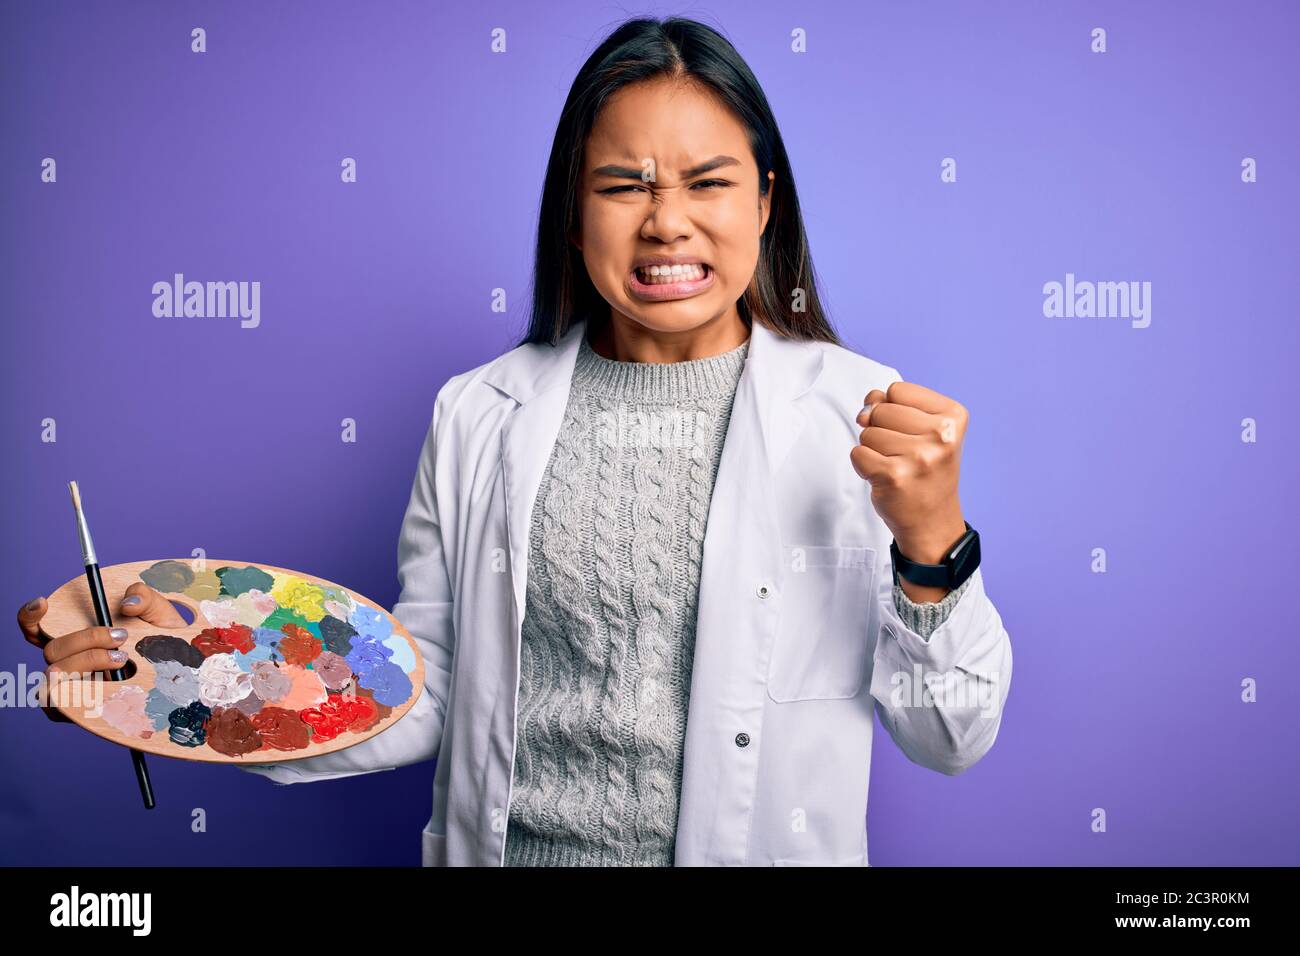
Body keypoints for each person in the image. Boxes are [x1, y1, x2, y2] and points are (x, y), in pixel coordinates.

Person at [18, 16, 1012, 867]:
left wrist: (935, 546)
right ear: (574, 218)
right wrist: (184, 679)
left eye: (707, 182)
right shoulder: (476, 411)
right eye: (624, 186)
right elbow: (426, 683)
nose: (666, 223)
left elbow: (951, 736)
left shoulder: (862, 417)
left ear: (764, 198)